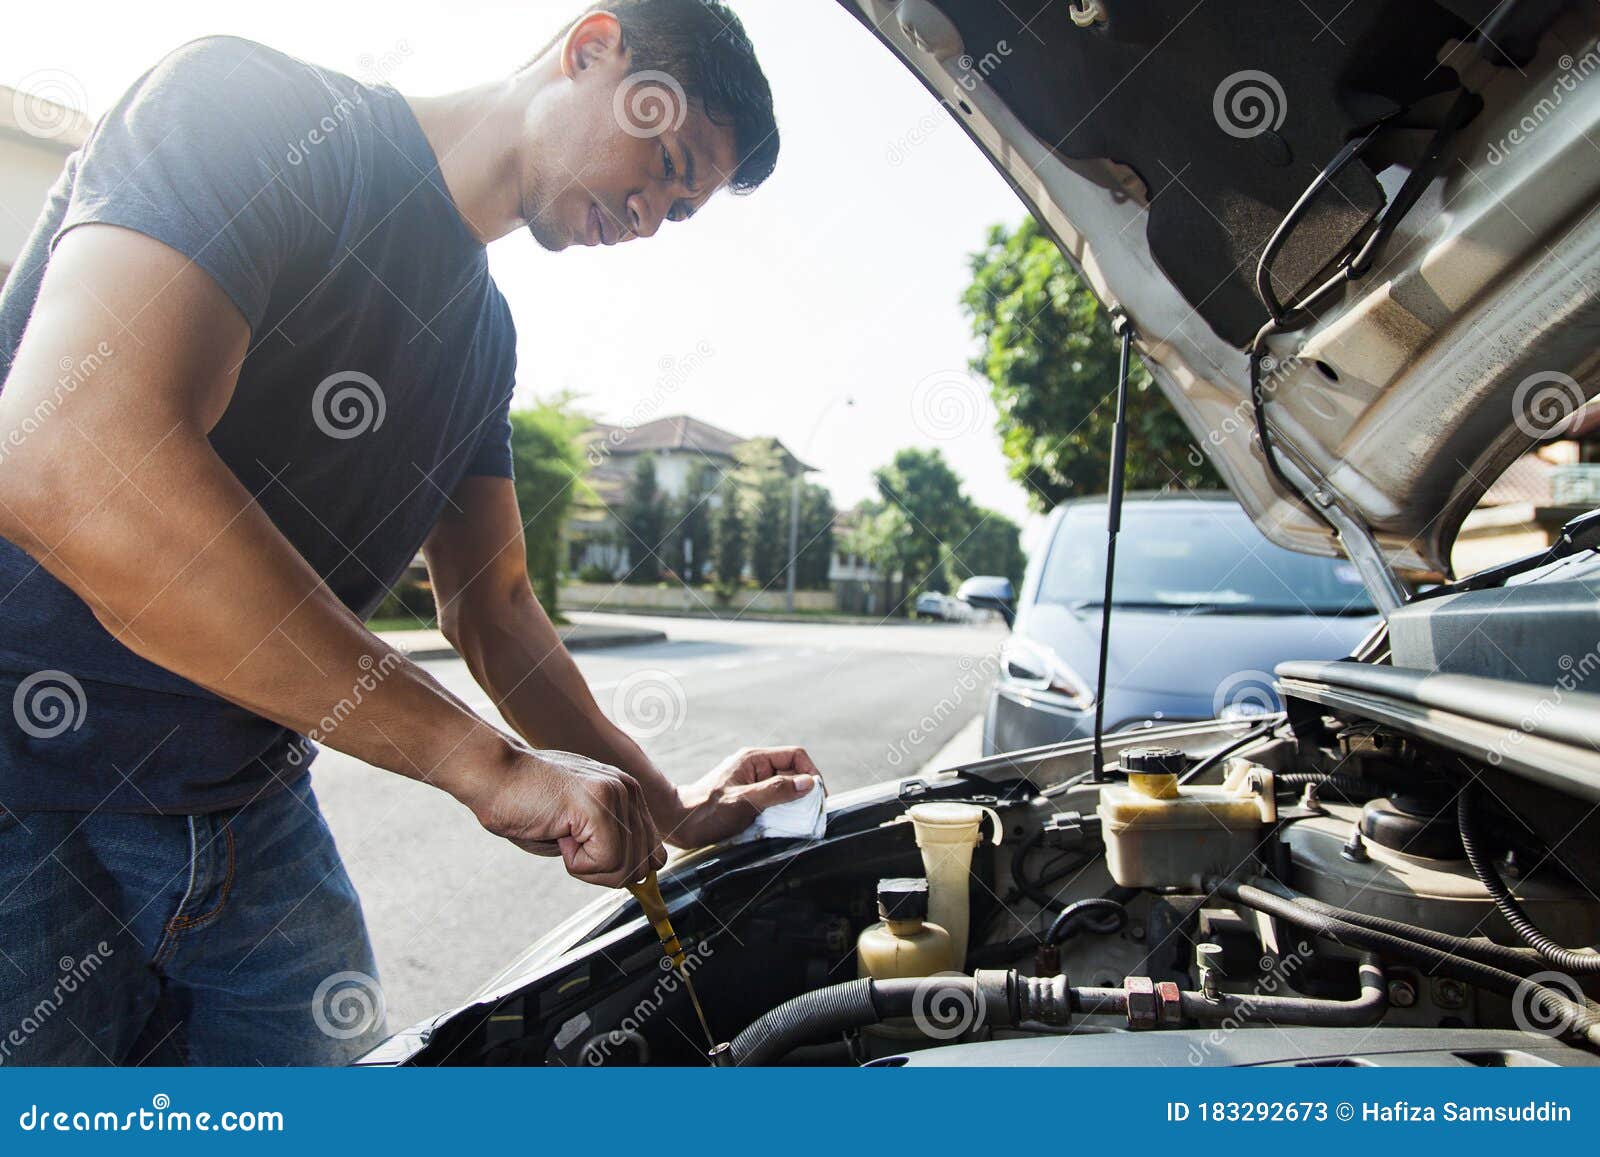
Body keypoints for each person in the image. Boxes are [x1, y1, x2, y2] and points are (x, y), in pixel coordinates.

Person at [0, 0, 817, 1065]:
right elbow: (68, 456)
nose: (651, 211)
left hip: (245, 807)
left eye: (681, 205)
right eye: (661, 158)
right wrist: (484, 762)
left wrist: (668, 806)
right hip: (28, 788)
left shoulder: (481, 338)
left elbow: (493, 605)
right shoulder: (247, 108)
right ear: (589, 46)